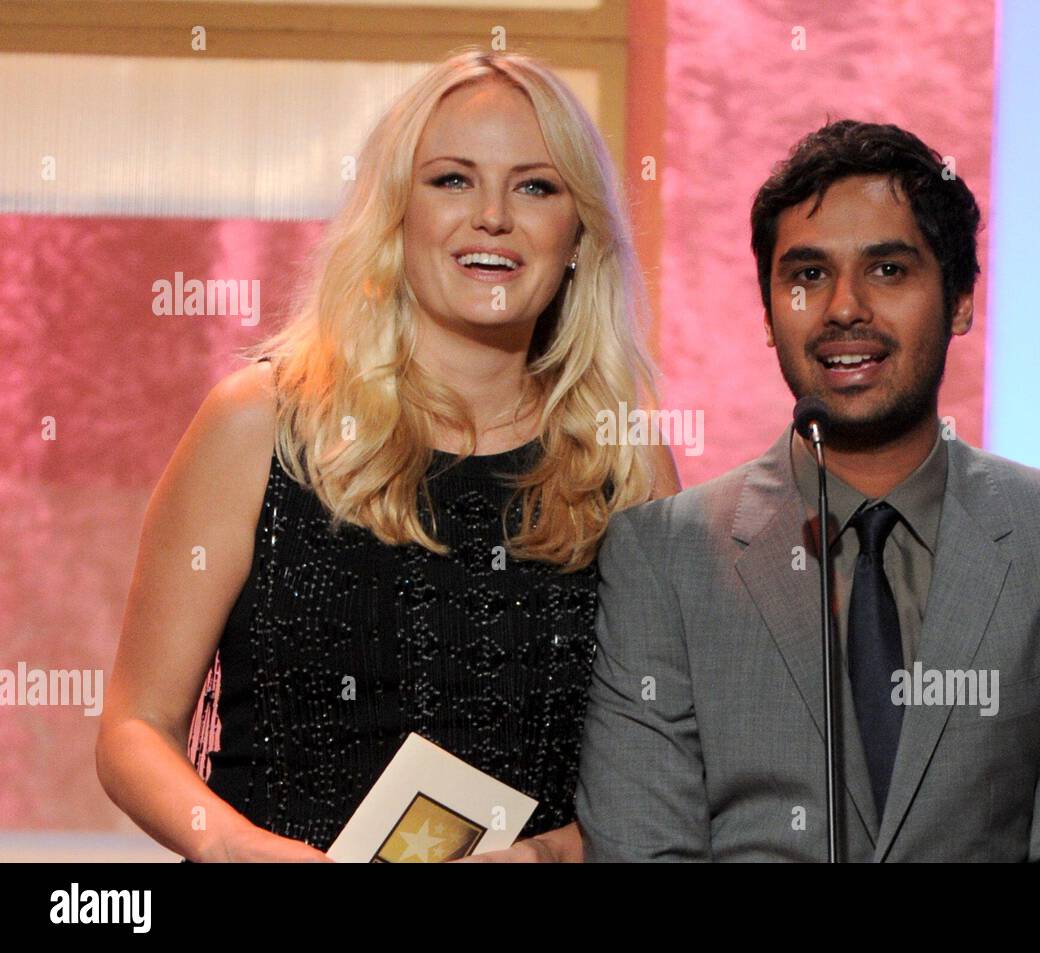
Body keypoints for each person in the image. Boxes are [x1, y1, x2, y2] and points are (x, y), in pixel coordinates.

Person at [96, 48, 678, 863]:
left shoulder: (622, 461)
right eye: (452, 179)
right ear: (394, 211)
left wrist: (551, 857)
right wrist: (238, 849)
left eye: (536, 185)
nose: (493, 217)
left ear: (579, 231)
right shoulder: (258, 423)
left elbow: (665, 770)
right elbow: (133, 727)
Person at [575, 120, 1040, 862]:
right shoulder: (662, 555)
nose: (844, 307)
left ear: (960, 301)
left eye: (888, 270)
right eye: (808, 275)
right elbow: (643, 850)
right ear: (767, 312)